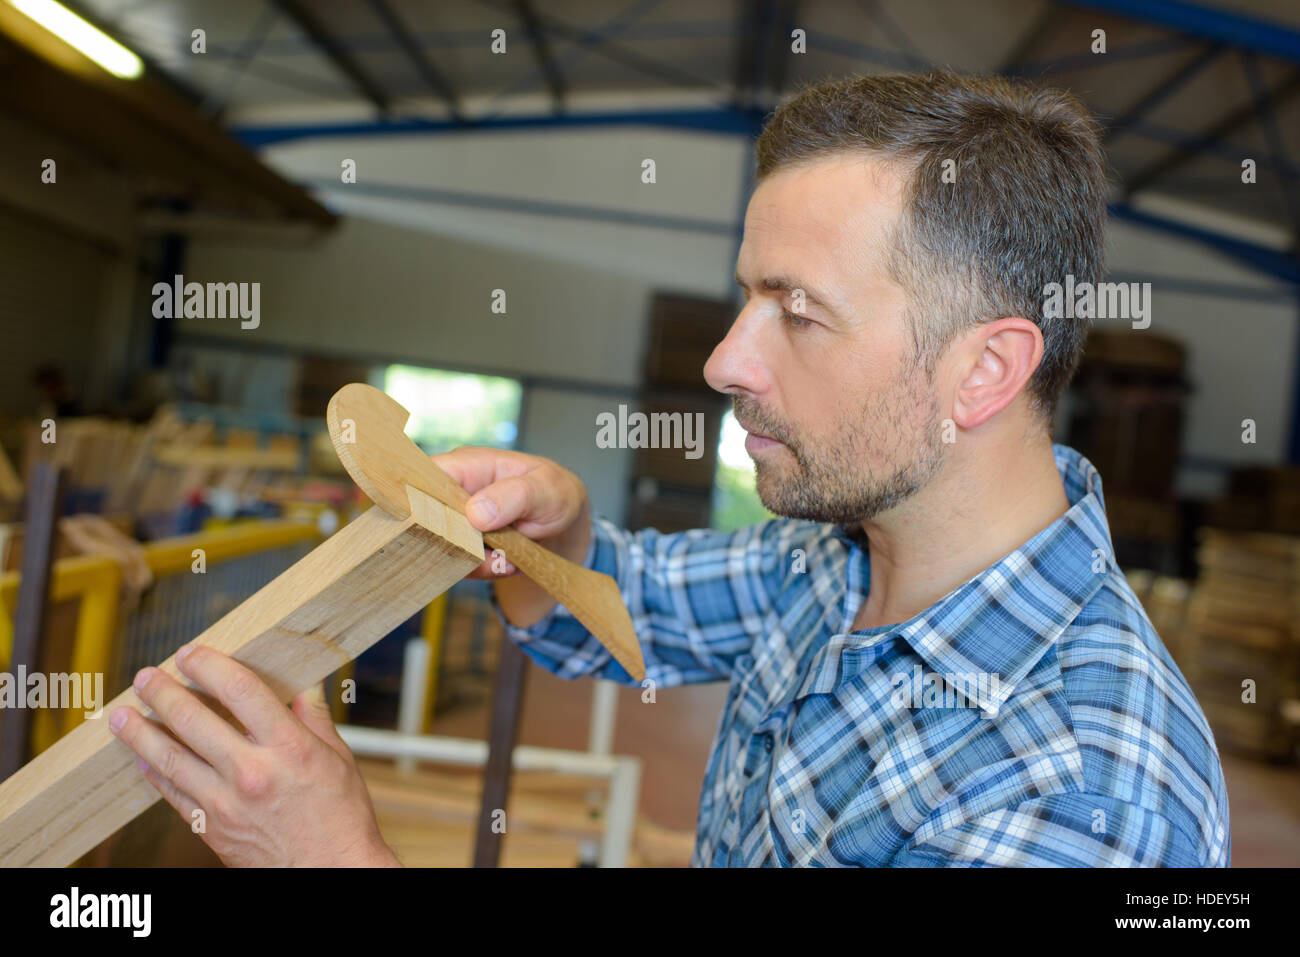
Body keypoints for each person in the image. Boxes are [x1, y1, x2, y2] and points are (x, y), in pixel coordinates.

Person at [110, 71, 1229, 867]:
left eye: (798, 313)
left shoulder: (1080, 796)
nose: (725, 360)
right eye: (747, 294)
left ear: (984, 371)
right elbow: (631, 606)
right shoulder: (835, 560)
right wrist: (567, 538)